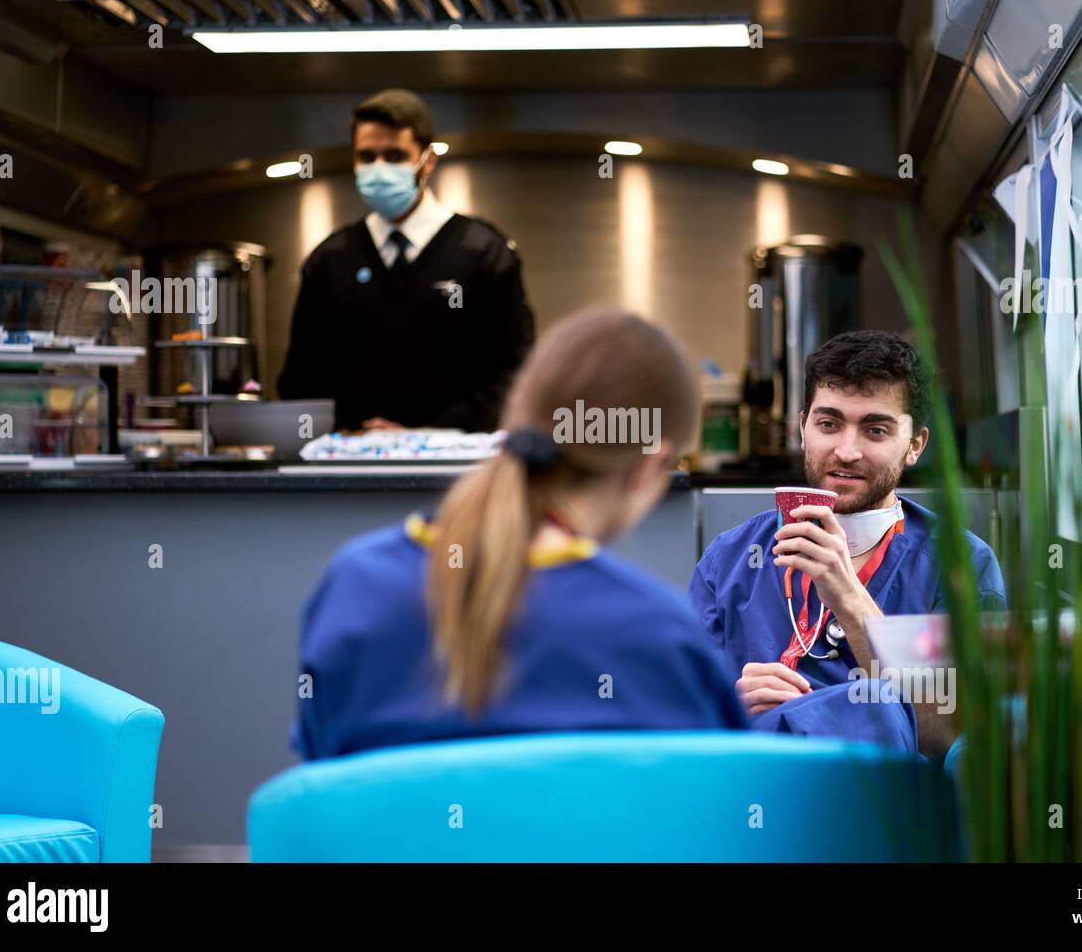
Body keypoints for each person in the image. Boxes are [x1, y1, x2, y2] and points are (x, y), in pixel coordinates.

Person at [292, 307, 746, 760]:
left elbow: (321, 780)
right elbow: (715, 810)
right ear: (648, 467)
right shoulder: (662, 637)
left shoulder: (353, 585)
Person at [688, 330, 1005, 757]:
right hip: (753, 800)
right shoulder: (729, 561)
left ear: (915, 445)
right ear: (803, 428)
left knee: (884, 712)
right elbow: (680, 726)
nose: (846, 451)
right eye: (829, 424)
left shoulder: (962, 566)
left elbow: (953, 739)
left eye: (875, 429)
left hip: (883, 812)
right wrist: (731, 706)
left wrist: (849, 597)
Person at [276, 88, 534, 432]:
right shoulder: (330, 260)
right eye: (367, 157)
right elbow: (301, 378)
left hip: (459, 467)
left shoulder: (484, 253)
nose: (379, 168)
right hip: (349, 464)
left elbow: (516, 374)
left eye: (395, 156)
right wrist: (352, 433)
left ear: (427, 161)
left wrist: (427, 436)